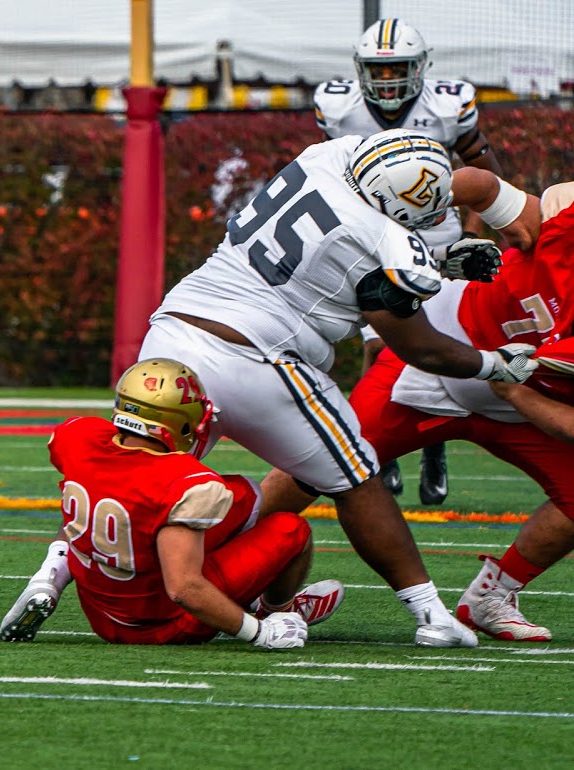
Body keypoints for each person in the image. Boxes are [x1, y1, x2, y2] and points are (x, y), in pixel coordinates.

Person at [103, 130, 536, 648]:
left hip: (175, 328)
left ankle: (52, 575)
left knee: (130, 473)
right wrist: (494, 364)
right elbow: (425, 349)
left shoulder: (328, 154)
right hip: (258, 357)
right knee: (357, 477)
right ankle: (431, 615)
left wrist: (436, 263)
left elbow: (336, 251)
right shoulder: (388, 242)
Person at [259, 183, 574, 642]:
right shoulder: (557, 227)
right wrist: (405, 229)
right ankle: (220, 560)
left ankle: (492, 596)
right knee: (317, 461)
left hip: (518, 401)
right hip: (431, 359)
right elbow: (479, 184)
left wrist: (515, 396)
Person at [0, 359, 340, 648]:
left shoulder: (78, 436)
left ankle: (50, 574)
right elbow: (183, 588)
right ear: (178, 421)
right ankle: (271, 610)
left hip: (101, 614)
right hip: (163, 623)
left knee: (236, 497)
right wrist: (261, 633)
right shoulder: (185, 481)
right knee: (288, 527)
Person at [315, 18, 506, 505]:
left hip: (437, 235)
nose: (386, 81)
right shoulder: (337, 108)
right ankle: (385, 448)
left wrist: (469, 233)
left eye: (396, 69)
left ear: (420, 67)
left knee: (436, 343)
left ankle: (434, 446)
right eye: (377, 72)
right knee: (380, 347)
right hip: (376, 237)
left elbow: (484, 173)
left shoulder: (447, 105)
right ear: (359, 72)